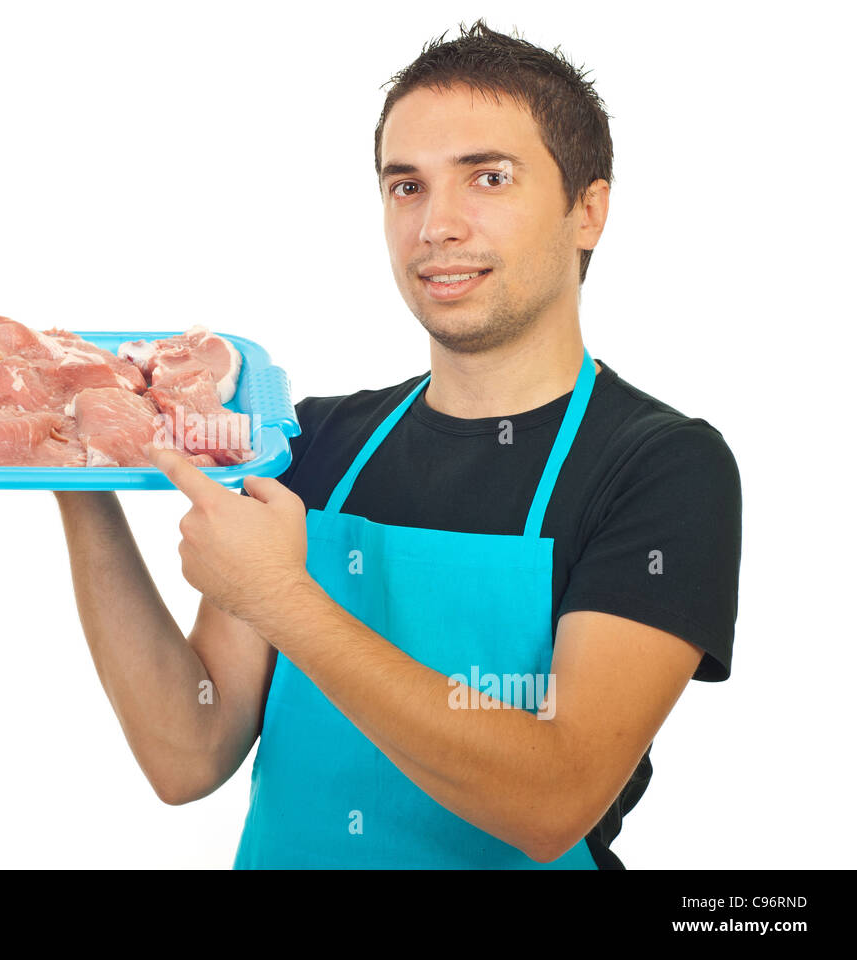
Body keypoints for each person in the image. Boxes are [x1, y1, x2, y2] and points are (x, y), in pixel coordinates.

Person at [53, 19, 741, 869]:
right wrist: (72, 476)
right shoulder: (315, 441)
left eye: (488, 177)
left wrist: (282, 597)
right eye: (406, 186)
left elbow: (553, 797)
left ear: (587, 210)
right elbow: (187, 752)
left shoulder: (662, 468)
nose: (436, 225)